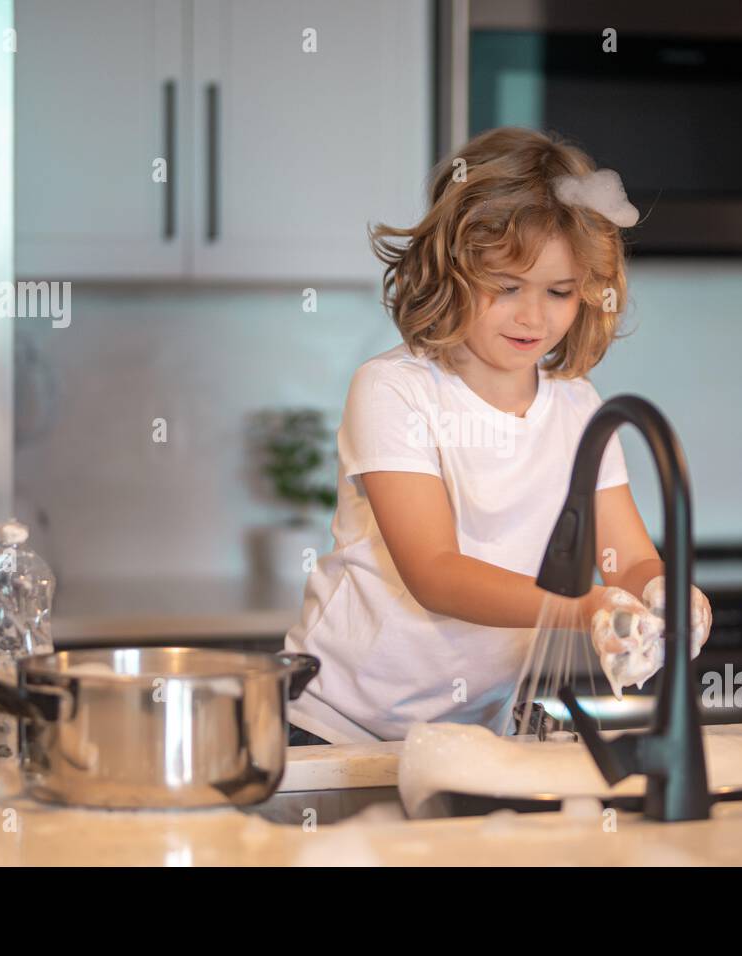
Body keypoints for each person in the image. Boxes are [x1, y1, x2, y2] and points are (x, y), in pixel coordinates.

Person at [283, 127, 711, 745]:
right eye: (507, 287)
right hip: (335, 724)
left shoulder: (578, 408)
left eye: (559, 292)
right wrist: (584, 609)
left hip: (470, 735)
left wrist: (661, 591)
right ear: (448, 269)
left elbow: (625, 556)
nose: (534, 317)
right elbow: (436, 573)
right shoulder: (393, 390)